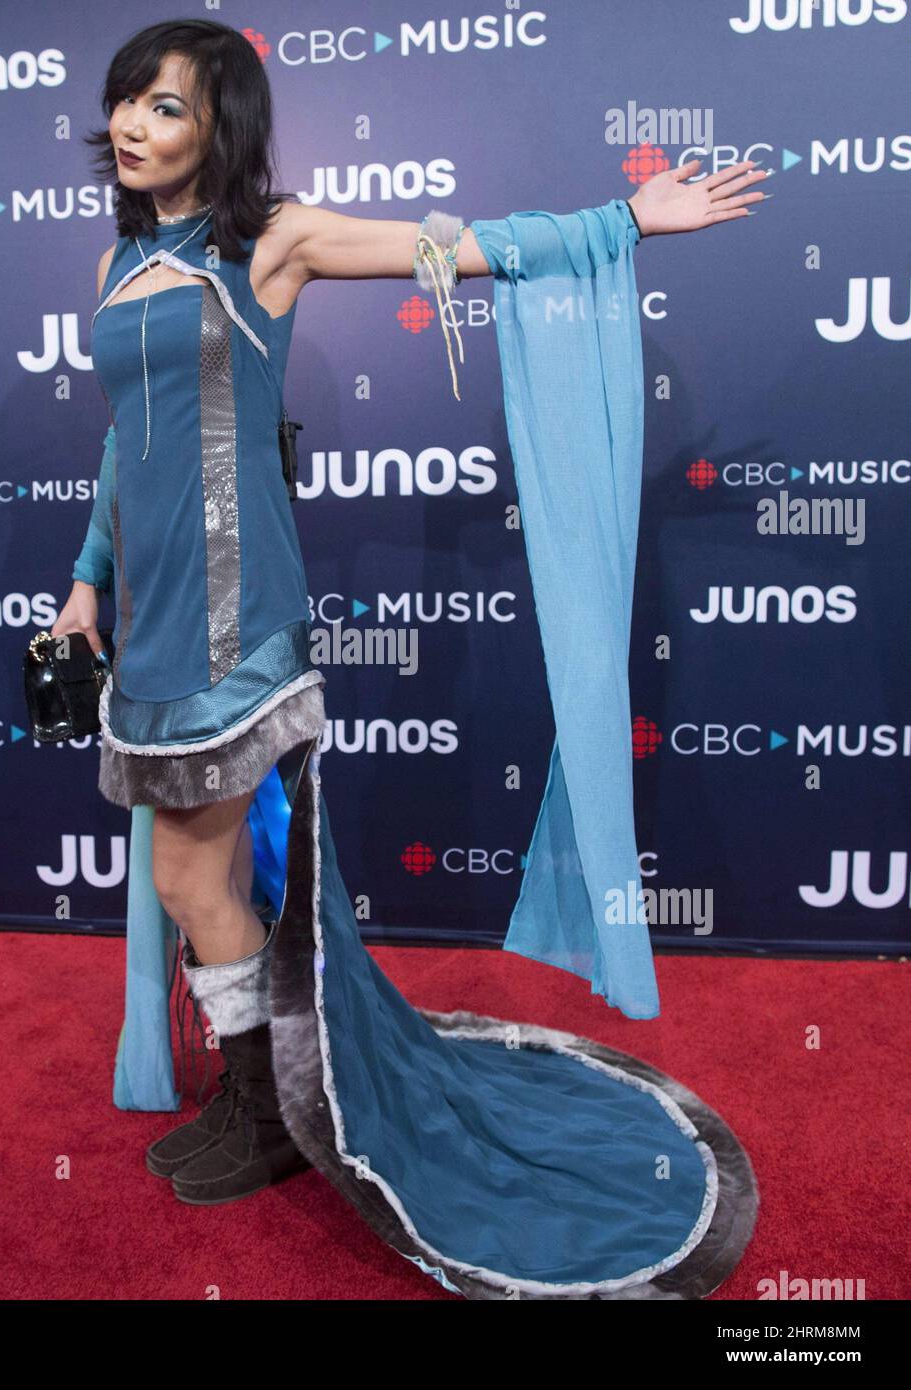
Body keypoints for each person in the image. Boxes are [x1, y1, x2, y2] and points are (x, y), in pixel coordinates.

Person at [52, 18, 766, 1300]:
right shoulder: (120, 265)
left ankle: (269, 1107)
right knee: (182, 874)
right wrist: (82, 582)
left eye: (165, 108)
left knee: (196, 869)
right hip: (151, 619)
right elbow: (122, 445)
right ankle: (255, 1077)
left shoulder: (273, 241)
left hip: (237, 616)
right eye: (126, 103)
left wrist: (623, 222)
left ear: (220, 128)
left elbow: (464, 248)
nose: (134, 126)